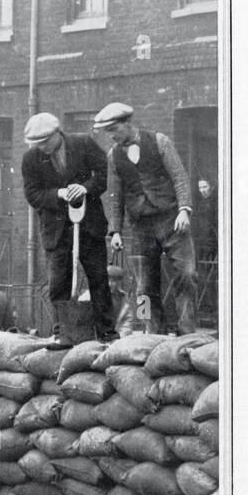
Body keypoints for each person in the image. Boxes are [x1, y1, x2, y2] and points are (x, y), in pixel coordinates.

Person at [94, 101, 198, 335]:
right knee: (143, 287)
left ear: (128, 123)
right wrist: (116, 231)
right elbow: (116, 196)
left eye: (114, 130)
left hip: (171, 220)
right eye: (107, 132)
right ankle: (151, 333)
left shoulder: (160, 142)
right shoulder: (114, 156)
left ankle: (188, 332)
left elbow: (180, 177)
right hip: (140, 226)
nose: (111, 136)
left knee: (187, 275)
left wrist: (184, 209)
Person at [21, 113, 116, 341]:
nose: (42, 148)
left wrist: (85, 188)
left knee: (99, 279)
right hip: (56, 231)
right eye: (37, 144)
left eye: (45, 142)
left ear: (57, 133)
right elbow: (32, 194)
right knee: (58, 284)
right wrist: (59, 194)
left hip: (89, 226)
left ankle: (107, 333)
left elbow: (104, 176)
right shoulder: (31, 158)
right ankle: (61, 333)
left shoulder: (83, 143)